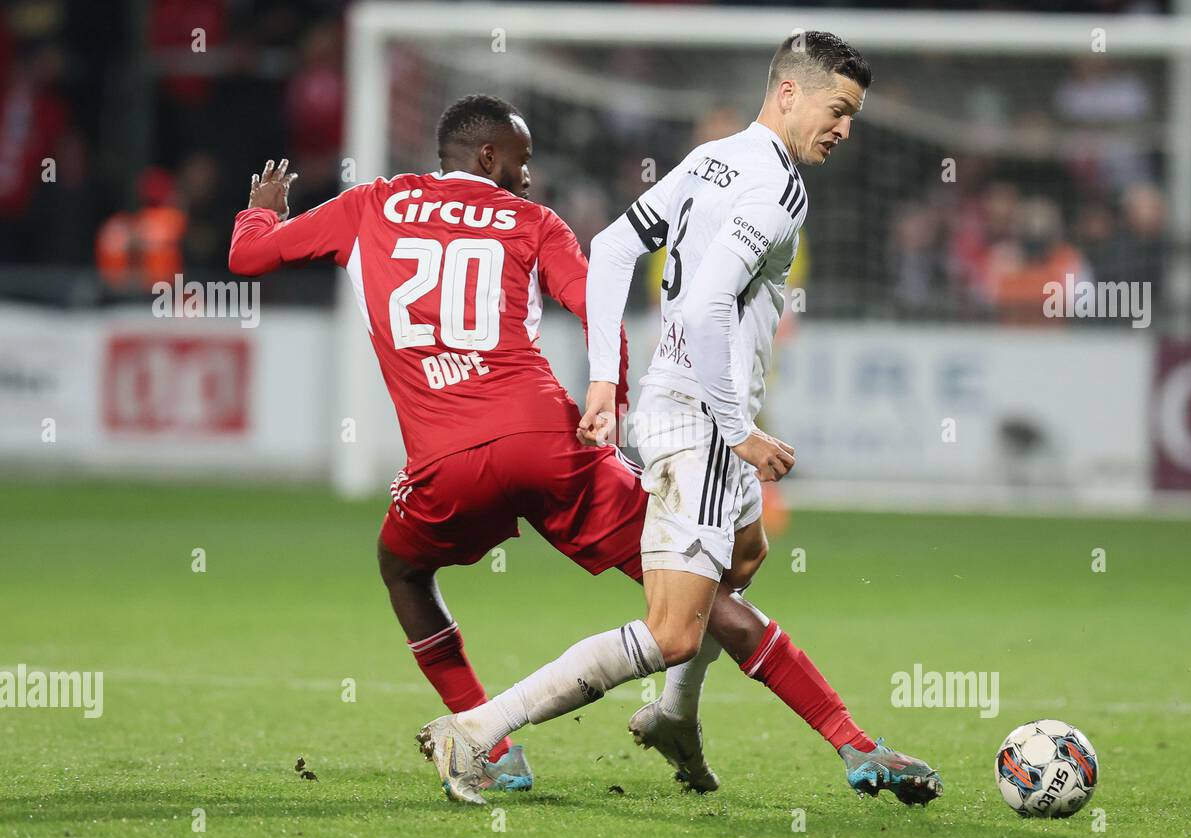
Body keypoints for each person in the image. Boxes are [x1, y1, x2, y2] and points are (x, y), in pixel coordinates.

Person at [228, 95, 889, 799]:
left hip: (446, 463)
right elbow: (598, 309)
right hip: (552, 447)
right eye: (522, 158)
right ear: (487, 156)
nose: (528, 175)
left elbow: (248, 255)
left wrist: (263, 210)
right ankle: (850, 742)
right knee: (703, 591)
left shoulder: (368, 206)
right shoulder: (533, 222)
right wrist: (613, 397)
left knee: (403, 570)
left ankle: (496, 748)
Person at [427, 35, 943, 807]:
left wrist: (607, 378)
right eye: (839, 110)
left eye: (853, 115)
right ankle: (476, 731)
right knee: (673, 632)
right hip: (701, 421)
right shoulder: (778, 190)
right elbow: (702, 304)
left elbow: (608, 248)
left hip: (682, 407)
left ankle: (675, 714)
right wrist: (737, 428)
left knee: (742, 559)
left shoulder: (710, 158)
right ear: (790, 93)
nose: (844, 130)